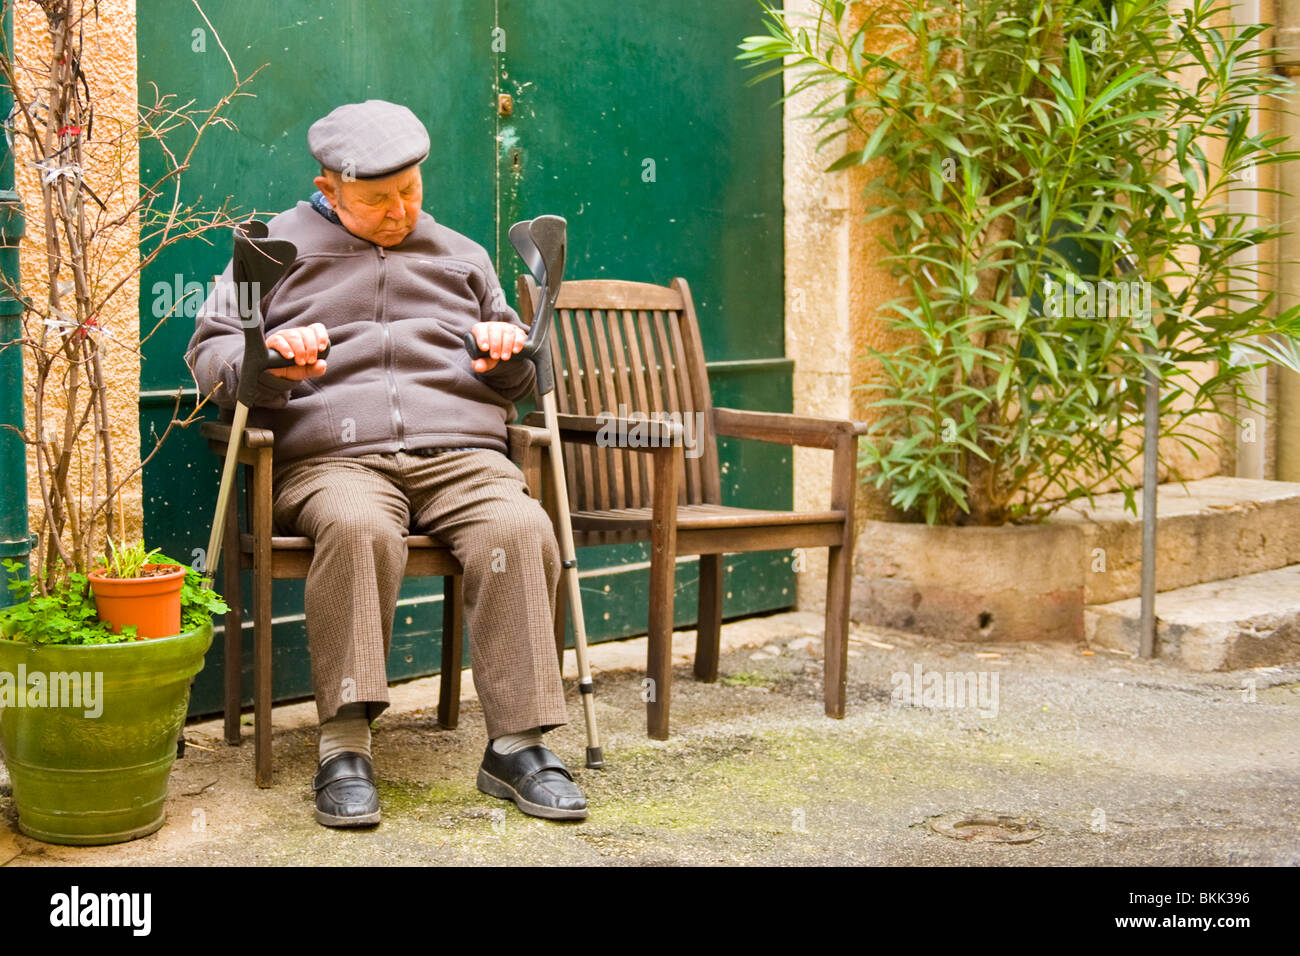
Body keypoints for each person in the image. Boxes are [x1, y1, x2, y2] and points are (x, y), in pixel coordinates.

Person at [187, 99, 587, 827]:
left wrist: (505, 359)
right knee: (357, 526)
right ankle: (344, 743)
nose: (401, 212)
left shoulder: (462, 255)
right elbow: (211, 356)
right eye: (377, 200)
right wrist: (270, 361)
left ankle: (518, 746)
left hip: (463, 454)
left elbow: (521, 381)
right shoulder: (272, 249)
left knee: (520, 528)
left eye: (411, 192)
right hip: (333, 460)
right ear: (328, 185)